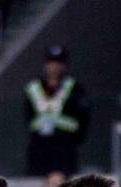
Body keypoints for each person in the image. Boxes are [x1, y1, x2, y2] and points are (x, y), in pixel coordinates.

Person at [23, 46, 89, 176]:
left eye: (58, 63)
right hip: (39, 146)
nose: (54, 67)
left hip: (65, 146)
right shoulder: (33, 88)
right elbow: (28, 117)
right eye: (51, 63)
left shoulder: (75, 88)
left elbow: (83, 118)